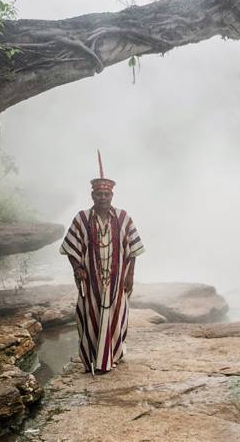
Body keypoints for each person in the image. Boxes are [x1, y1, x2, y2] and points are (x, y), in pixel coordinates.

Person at [60, 153, 144, 374]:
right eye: (99, 194)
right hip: (92, 281)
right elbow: (70, 247)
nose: (103, 198)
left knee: (118, 317)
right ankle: (92, 360)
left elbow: (133, 249)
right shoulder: (82, 218)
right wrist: (77, 268)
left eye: (106, 194)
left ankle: (112, 356)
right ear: (92, 195)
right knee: (89, 317)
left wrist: (130, 275)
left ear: (112, 195)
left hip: (116, 281)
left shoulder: (123, 217)